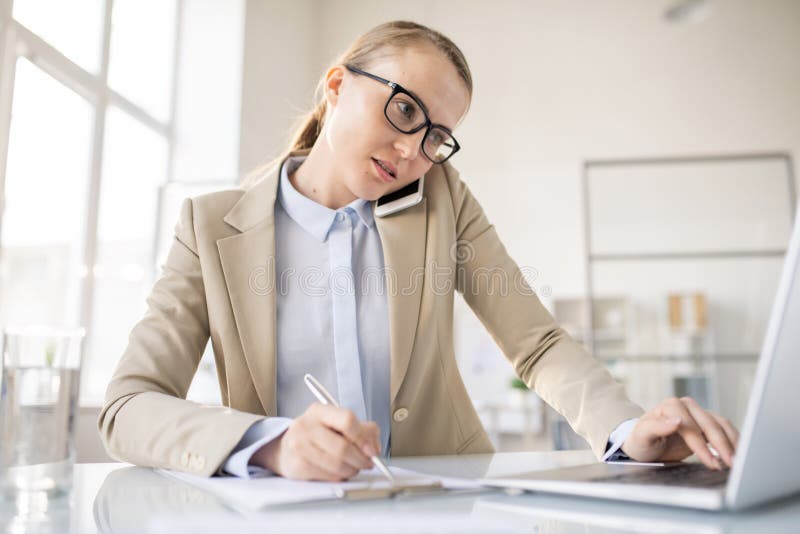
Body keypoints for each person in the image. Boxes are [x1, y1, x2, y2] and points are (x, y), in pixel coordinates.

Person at [98, 20, 739, 481]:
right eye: (403, 111)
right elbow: (128, 406)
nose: (413, 152)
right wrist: (270, 445)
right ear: (336, 86)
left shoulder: (442, 199)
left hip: (446, 504)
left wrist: (628, 431)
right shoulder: (211, 228)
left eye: (437, 138)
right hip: (285, 513)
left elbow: (536, 345)